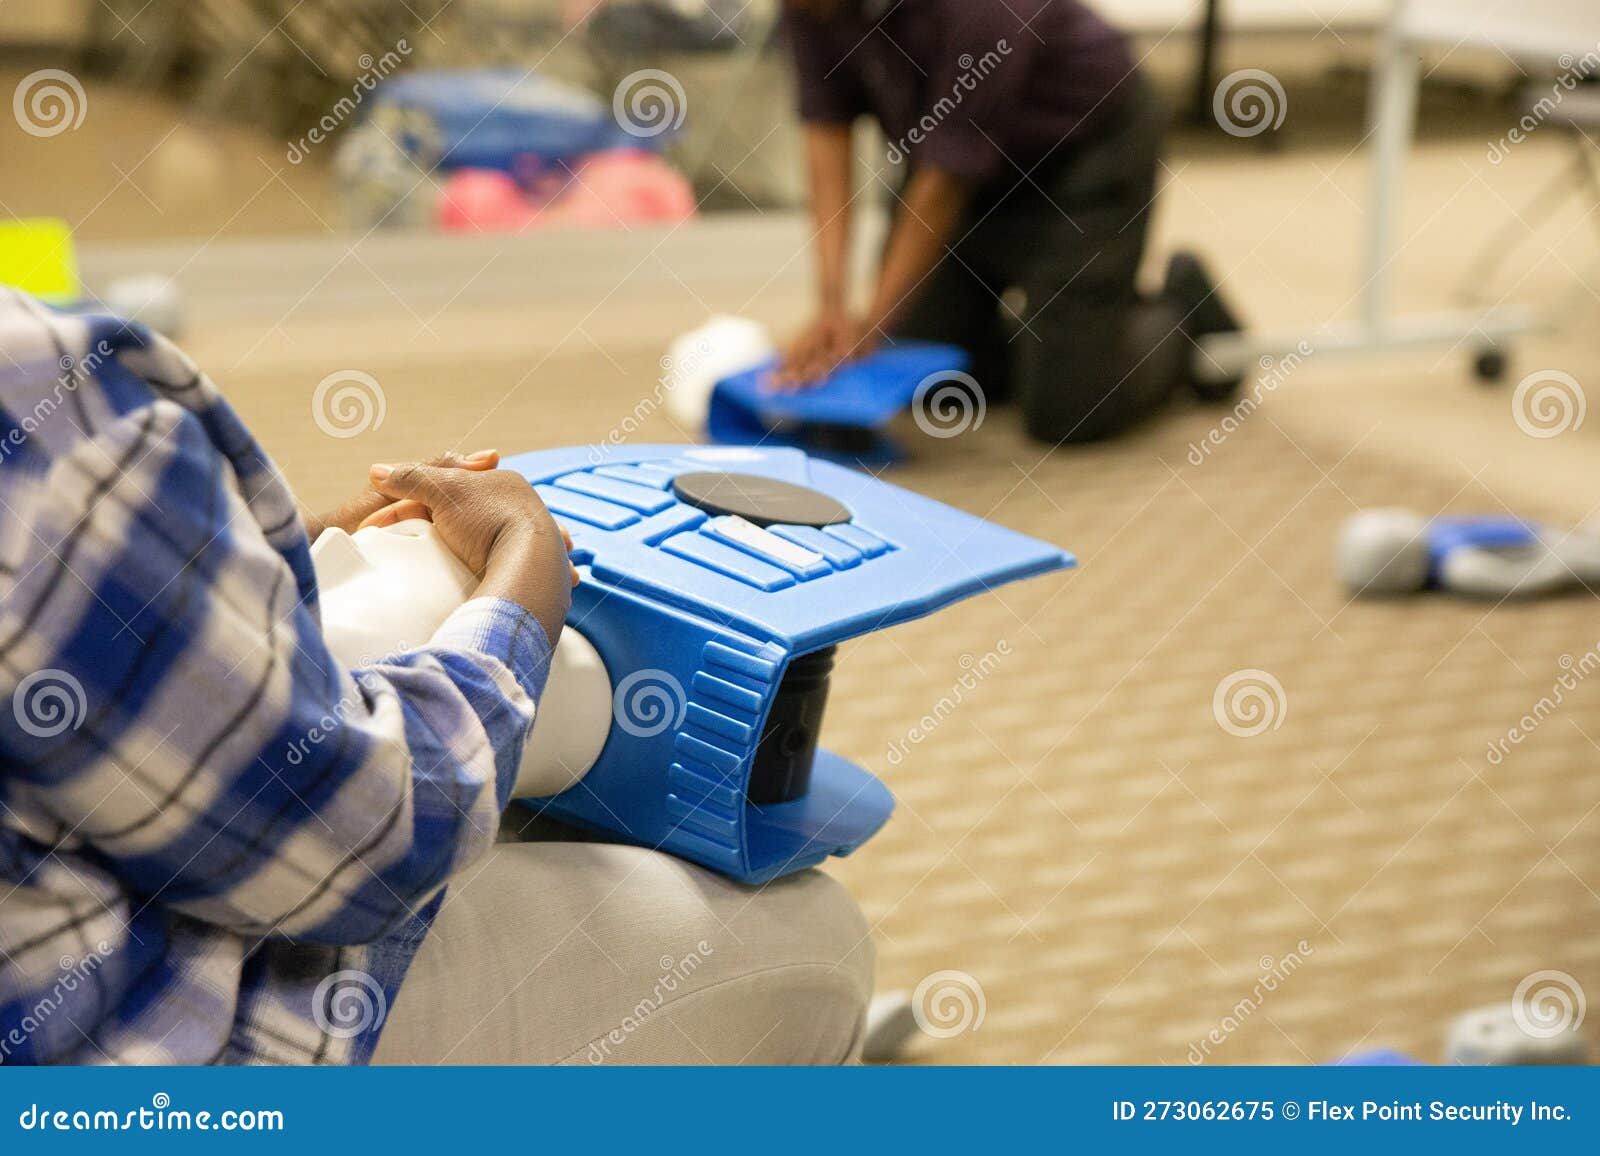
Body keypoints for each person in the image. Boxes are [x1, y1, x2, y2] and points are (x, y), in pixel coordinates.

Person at [0, 291, 872, 1065]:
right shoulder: (36, 390)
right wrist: (524, 585)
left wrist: (252, 558)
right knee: (820, 942)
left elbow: (83, 630)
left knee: (540, 833)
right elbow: (364, 844)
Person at [773, 0, 1244, 443]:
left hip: (1081, 162)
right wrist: (831, 306)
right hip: (969, 170)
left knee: (1069, 409)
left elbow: (942, 188)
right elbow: (826, 131)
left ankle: (1184, 309)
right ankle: (1059, 330)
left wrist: (870, 326)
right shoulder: (812, 5)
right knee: (930, 377)